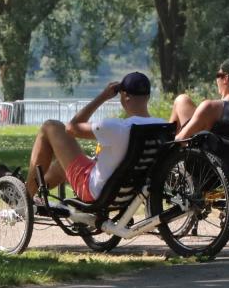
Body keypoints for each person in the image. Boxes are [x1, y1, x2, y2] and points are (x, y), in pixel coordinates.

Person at [18, 71, 167, 202]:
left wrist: (102, 97)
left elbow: (71, 128)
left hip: (95, 191)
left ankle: (24, 200)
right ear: (147, 97)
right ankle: (32, 193)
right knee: (61, 166)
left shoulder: (118, 127)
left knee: (50, 127)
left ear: (125, 97)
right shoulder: (163, 126)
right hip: (129, 193)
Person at [171, 56, 229, 154]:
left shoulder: (211, 108)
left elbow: (181, 139)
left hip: (200, 165)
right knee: (183, 100)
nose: (216, 79)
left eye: (218, 75)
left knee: (180, 99)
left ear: (226, 79)